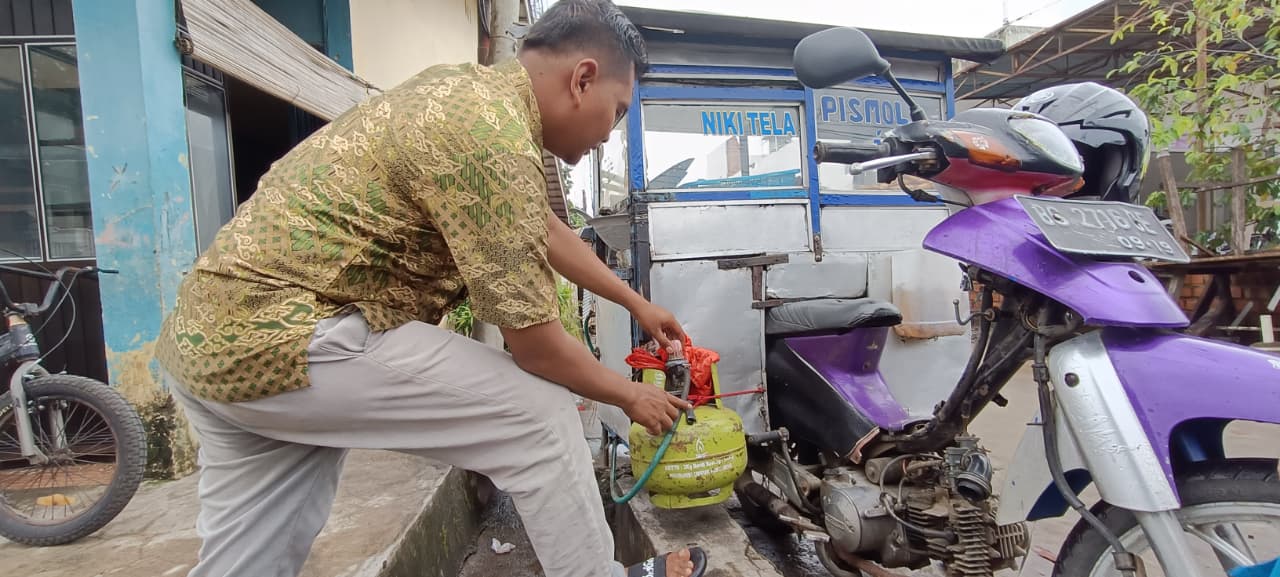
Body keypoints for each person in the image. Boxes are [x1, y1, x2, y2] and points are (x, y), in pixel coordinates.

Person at [153, 1, 708, 576]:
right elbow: (538, 349)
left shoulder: (467, 95)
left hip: (213, 343)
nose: (608, 136)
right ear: (583, 78)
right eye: (617, 112)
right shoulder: (491, 138)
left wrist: (634, 302)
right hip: (288, 333)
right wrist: (629, 395)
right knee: (539, 416)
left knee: (246, 563)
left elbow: (542, 227)